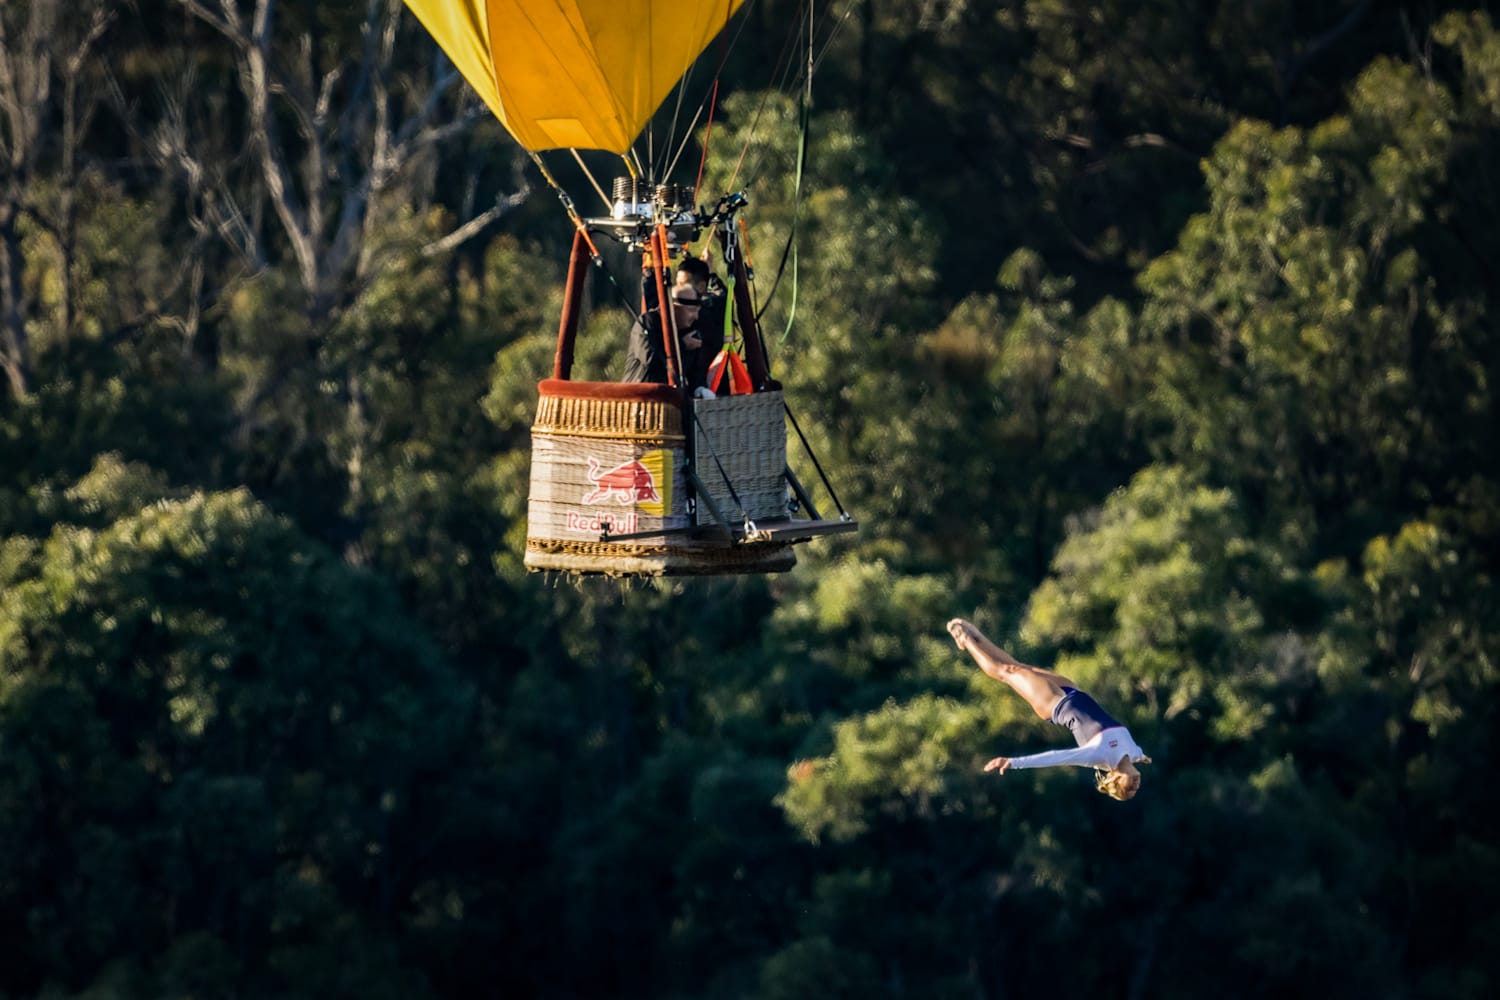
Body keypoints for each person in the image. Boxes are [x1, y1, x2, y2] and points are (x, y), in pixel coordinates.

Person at [947, 617, 1151, 801]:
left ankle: (965, 640)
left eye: (1127, 789)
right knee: (1019, 667)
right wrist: (1143, 757)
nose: (1135, 787)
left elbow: (1056, 757)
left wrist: (1013, 762)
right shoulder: (1134, 753)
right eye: (1134, 790)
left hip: (1053, 704)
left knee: (1007, 672)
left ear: (1115, 778)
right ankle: (976, 635)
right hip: (1072, 691)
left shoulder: (1099, 756)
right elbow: (1137, 753)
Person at [623, 271, 708, 392]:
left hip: (670, 402)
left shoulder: (690, 334)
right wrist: (681, 344)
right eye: (691, 311)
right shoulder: (647, 323)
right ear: (674, 308)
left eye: (697, 311)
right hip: (639, 398)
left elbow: (696, 373)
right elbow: (650, 360)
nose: (696, 317)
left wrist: (700, 388)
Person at [673, 257, 726, 394]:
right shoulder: (716, 307)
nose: (679, 289)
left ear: (701, 286)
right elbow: (722, 295)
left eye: (683, 284)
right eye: (677, 284)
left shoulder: (699, 312)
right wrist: (711, 274)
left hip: (699, 389)